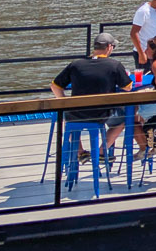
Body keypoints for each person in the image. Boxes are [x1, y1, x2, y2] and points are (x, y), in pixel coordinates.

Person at [51, 34, 133, 164]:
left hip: (77, 113)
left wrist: (65, 103)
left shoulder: (75, 64)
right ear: (109, 47)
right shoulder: (114, 65)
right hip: (101, 114)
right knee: (123, 121)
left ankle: (80, 152)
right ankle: (101, 152)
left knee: (68, 121)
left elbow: (55, 86)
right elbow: (128, 87)